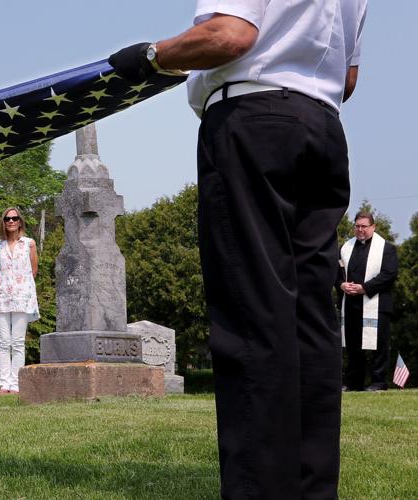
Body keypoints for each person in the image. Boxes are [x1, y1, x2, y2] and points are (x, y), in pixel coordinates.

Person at [108, 1, 366, 497]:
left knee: (253, 313)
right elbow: (348, 77)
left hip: (254, 122)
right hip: (322, 127)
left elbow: (229, 35)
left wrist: (152, 56)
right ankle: (312, 488)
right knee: (311, 321)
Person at [337, 212, 398, 392]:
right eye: (357, 226)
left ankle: (379, 382)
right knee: (353, 345)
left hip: (376, 303)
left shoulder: (386, 248)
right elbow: (336, 272)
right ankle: (353, 382)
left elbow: (389, 274)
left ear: (373, 227)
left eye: (364, 226)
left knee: (379, 345)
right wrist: (341, 284)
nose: (360, 230)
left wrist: (365, 288)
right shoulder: (345, 248)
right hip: (351, 304)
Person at [0, 207, 39, 394]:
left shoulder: (29, 243)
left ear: (20, 221)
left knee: (17, 342)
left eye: (14, 218)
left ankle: (16, 384)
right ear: (3, 222)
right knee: (3, 342)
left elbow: (33, 270)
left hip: (22, 296)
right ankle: (4, 384)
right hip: (1, 296)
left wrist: (22, 287)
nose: (11, 221)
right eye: (7, 219)